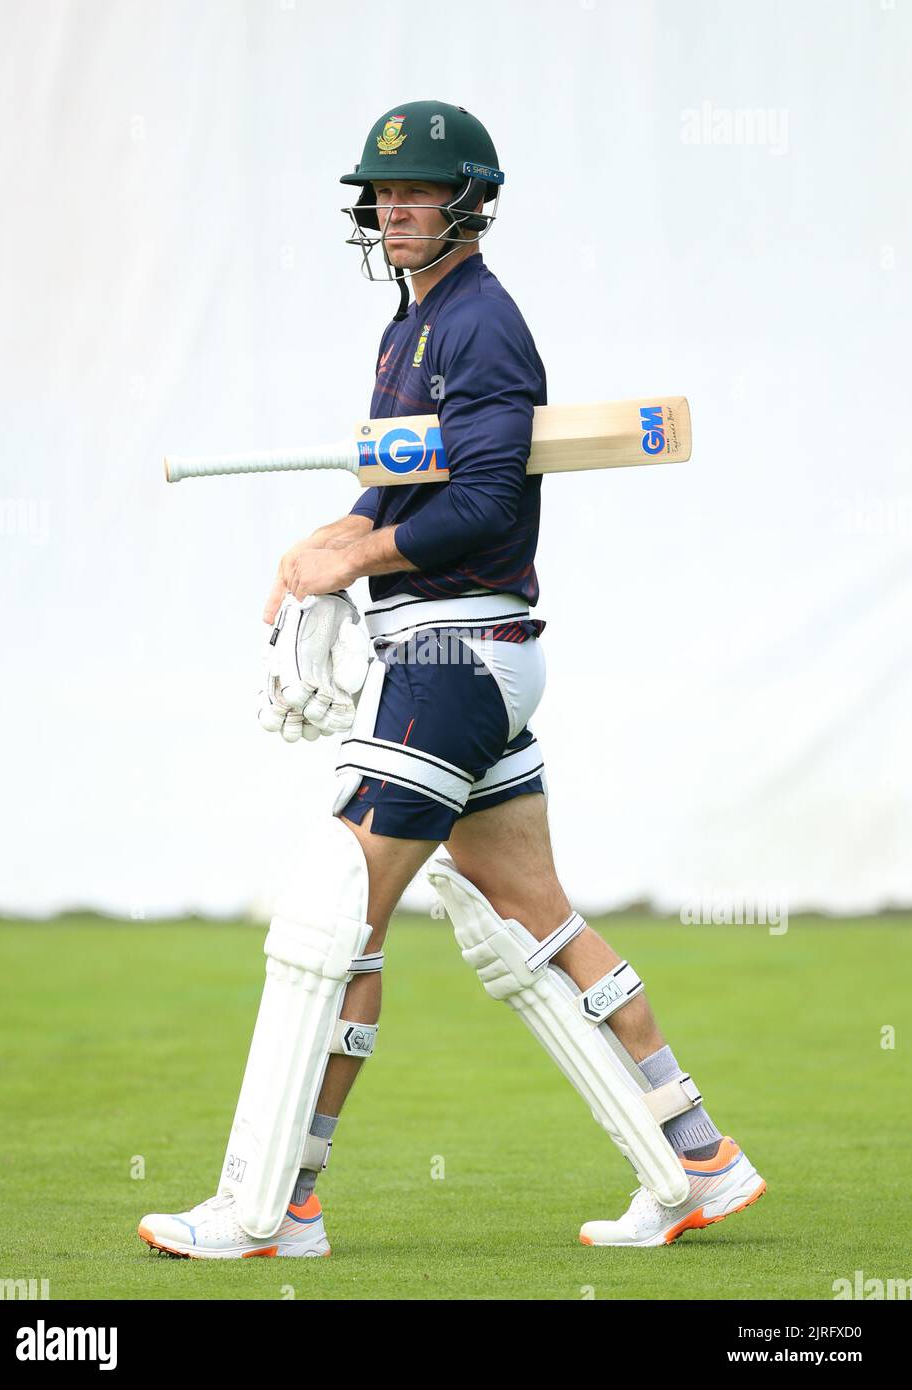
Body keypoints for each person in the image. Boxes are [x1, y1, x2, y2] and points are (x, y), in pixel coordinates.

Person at [138, 101, 765, 1259]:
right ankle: (696, 1157)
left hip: (450, 654)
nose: (394, 211)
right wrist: (325, 542)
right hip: (477, 655)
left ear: (470, 201)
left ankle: (270, 1206)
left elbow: (480, 504)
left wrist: (360, 555)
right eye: (381, 196)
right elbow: (403, 485)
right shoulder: (409, 323)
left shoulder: (481, 326)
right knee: (527, 916)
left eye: (416, 193)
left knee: (333, 920)